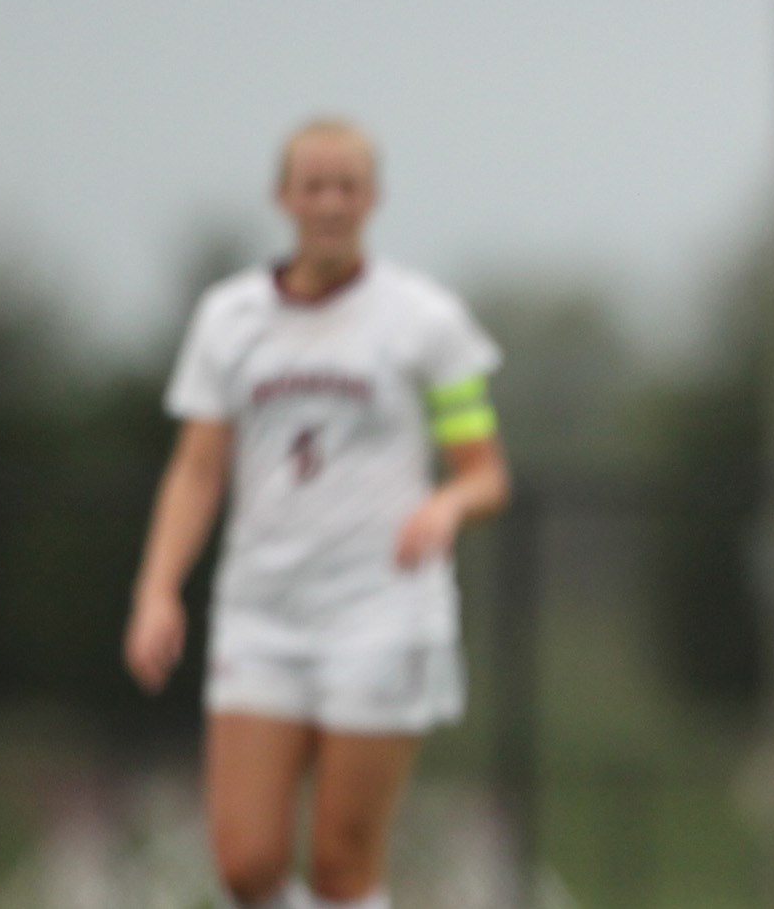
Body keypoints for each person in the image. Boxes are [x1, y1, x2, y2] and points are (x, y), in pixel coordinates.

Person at [124, 119, 510, 909]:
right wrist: (157, 588)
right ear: (283, 197)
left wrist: (446, 503)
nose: (331, 202)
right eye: (314, 185)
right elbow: (198, 469)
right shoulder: (228, 319)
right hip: (263, 610)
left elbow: (485, 473)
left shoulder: (424, 320)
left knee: (342, 862)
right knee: (244, 861)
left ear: (373, 198)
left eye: (347, 186)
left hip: (381, 609)